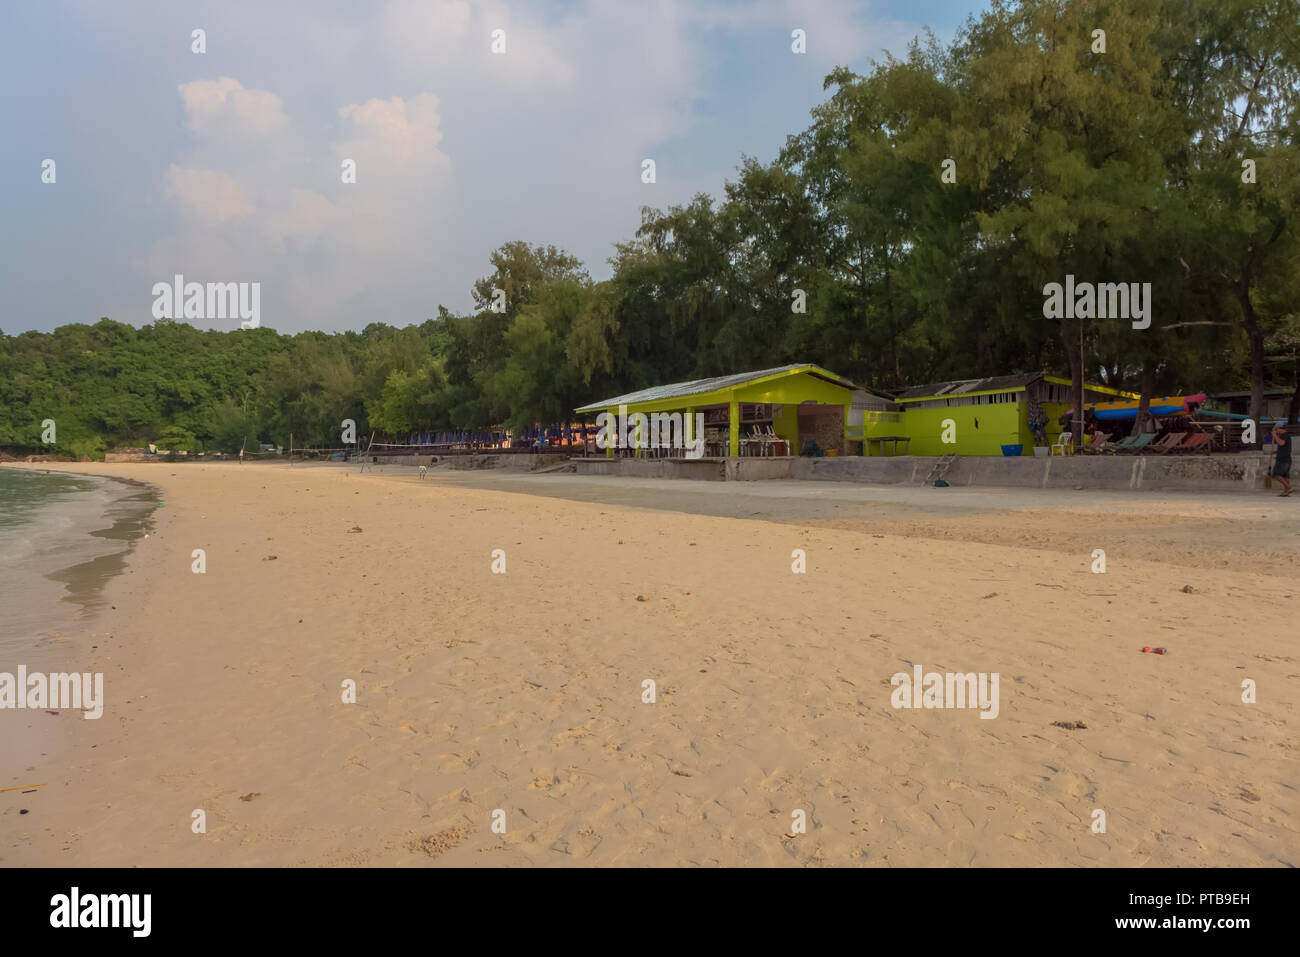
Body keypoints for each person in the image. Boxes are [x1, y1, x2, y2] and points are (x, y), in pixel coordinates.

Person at [1270, 422, 1292, 497]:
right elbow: (1284, 447)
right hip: (1286, 459)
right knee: (1285, 476)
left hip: (1283, 459)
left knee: (1276, 475)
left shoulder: (1284, 435)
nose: (1276, 431)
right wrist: (1275, 452)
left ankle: (1289, 487)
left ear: (1279, 428)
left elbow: (1281, 443)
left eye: (1276, 429)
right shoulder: (1285, 435)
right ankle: (1286, 492)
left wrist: (1275, 435)